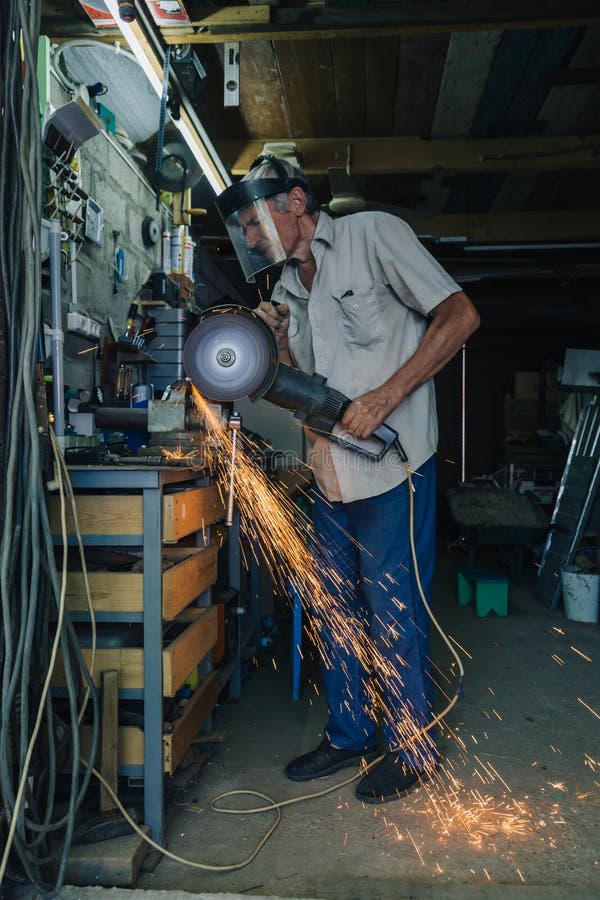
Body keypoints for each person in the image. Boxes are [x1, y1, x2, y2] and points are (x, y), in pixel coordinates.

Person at [214, 156, 480, 803]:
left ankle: (414, 747)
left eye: (255, 222)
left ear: (295, 202)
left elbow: (460, 317)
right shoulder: (284, 289)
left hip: (392, 467)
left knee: (393, 612)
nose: (250, 238)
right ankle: (351, 733)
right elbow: (299, 392)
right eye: (244, 228)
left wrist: (387, 397)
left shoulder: (372, 236)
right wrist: (273, 345)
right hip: (331, 476)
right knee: (335, 613)